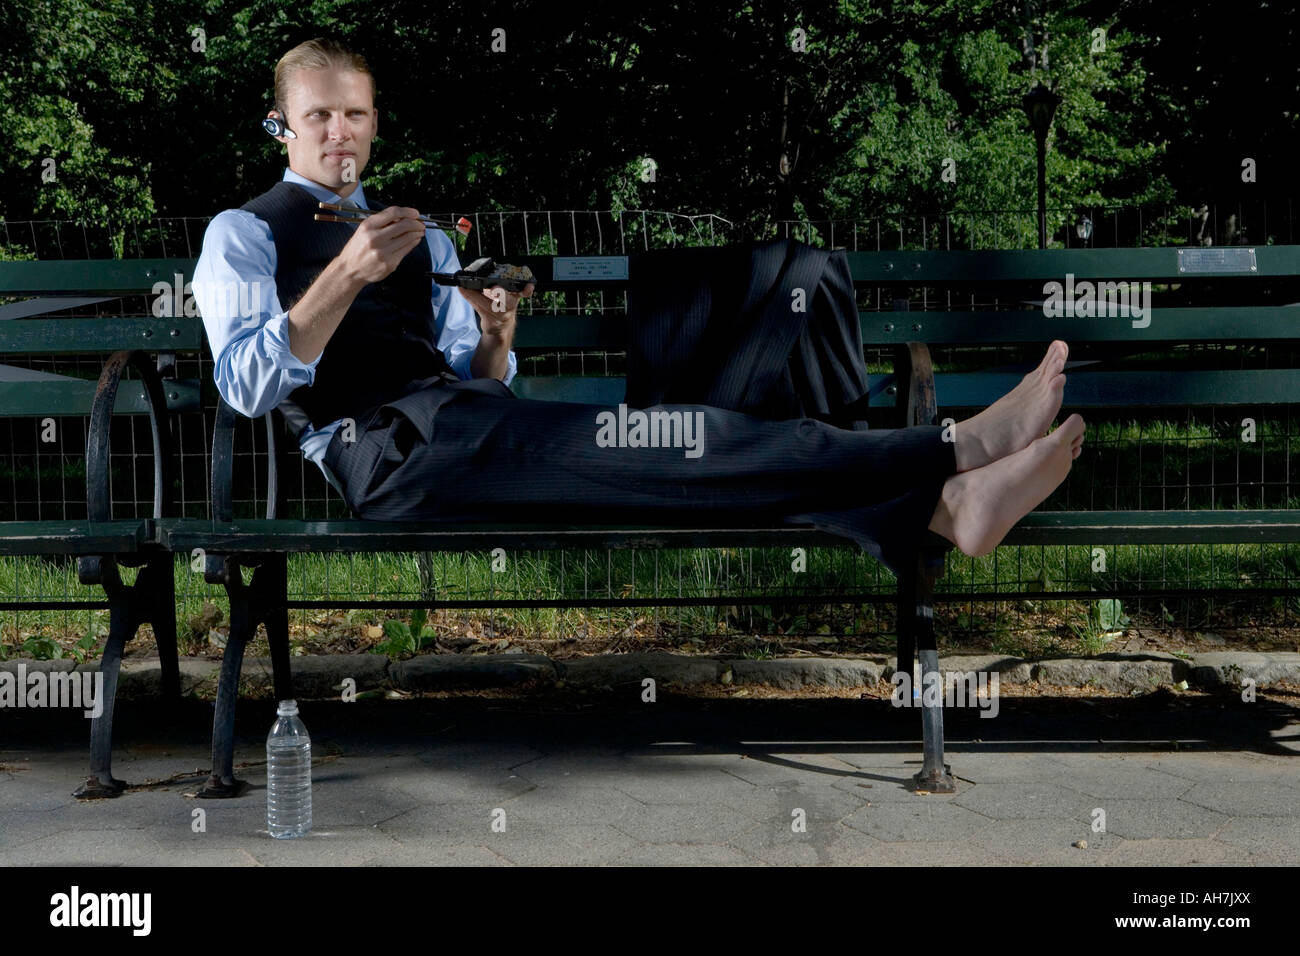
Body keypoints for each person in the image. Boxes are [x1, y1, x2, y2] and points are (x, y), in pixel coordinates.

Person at [194, 38, 1086, 574]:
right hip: (379, 457)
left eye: (354, 114)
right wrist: (344, 277)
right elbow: (242, 385)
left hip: (469, 430)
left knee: (685, 449)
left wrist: (498, 342)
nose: (339, 132)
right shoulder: (244, 234)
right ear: (283, 127)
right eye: (318, 118)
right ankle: (954, 449)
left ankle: (941, 511)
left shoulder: (420, 237)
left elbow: (479, 382)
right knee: (682, 443)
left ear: (377, 120)